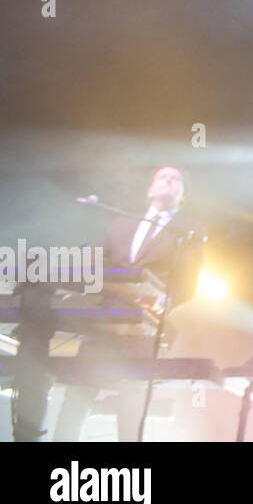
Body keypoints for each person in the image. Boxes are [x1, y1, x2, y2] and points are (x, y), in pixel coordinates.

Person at [53, 164, 202, 441]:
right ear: (150, 189)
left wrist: (165, 300)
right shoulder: (121, 224)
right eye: (163, 177)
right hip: (104, 323)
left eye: (176, 179)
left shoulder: (189, 232)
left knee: (131, 403)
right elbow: (98, 265)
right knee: (77, 395)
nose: (168, 181)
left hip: (144, 327)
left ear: (182, 195)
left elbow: (189, 281)